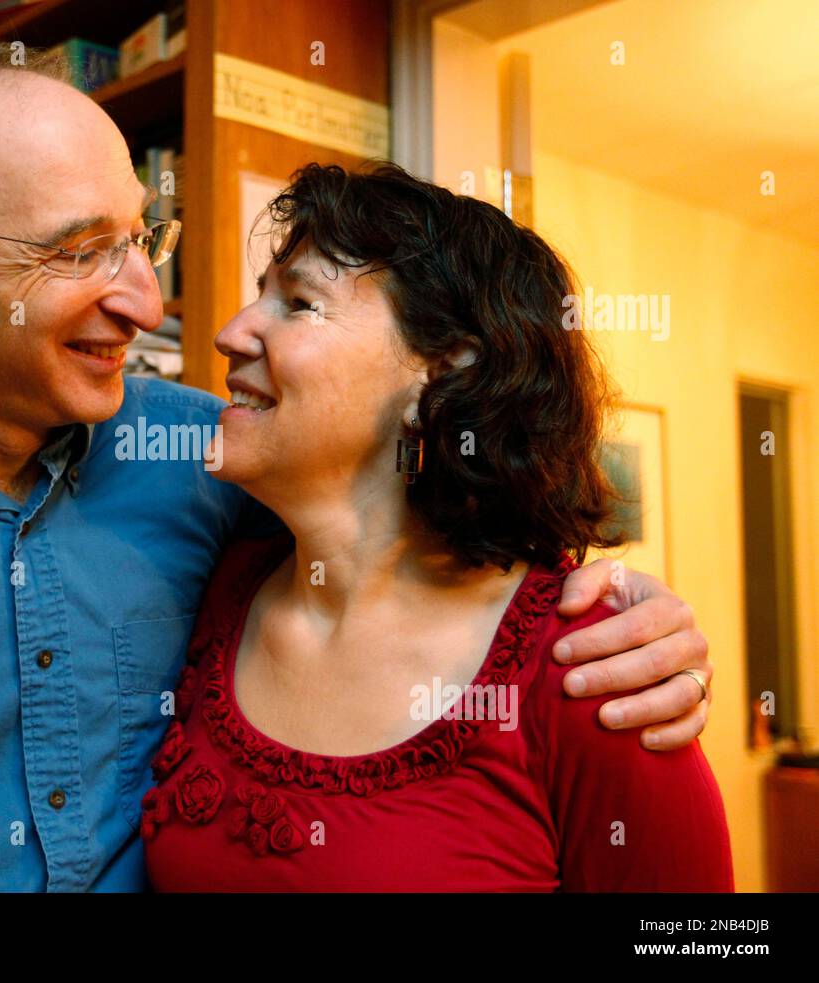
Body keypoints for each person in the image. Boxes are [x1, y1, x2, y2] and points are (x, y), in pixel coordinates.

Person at [0, 45, 713, 892]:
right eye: (77, 252)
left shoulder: (219, 463)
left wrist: (639, 608)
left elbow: (428, 544)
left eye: (145, 238)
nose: (147, 301)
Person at [142, 162, 732, 891]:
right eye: (259, 295)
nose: (231, 333)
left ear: (442, 369)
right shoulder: (214, 575)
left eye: (298, 303)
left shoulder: (595, 669)